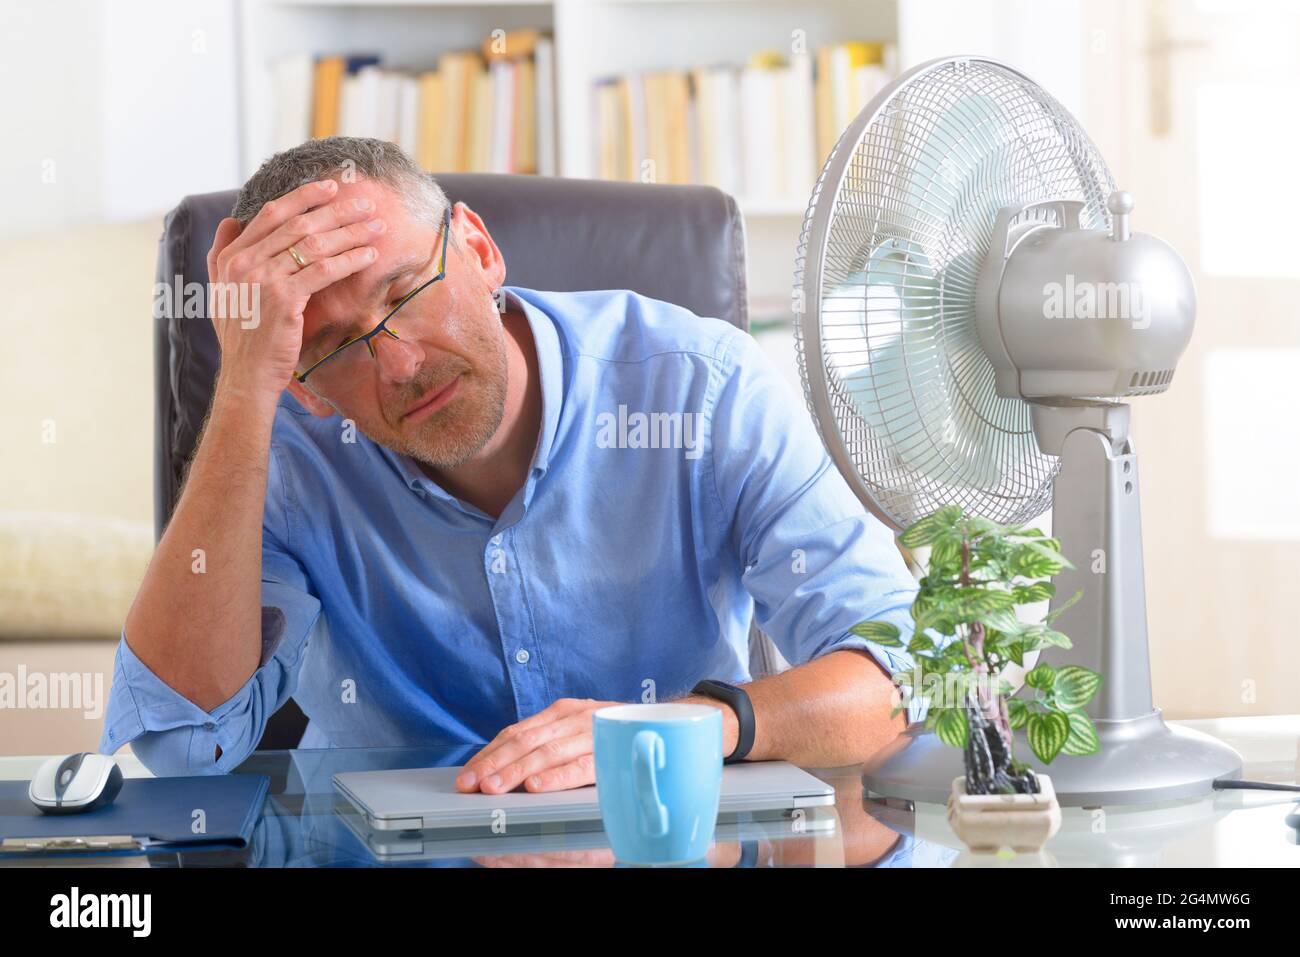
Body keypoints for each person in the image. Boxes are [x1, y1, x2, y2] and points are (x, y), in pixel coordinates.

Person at [100, 137, 920, 794]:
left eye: (405, 291)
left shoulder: (702, 388)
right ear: (306, 388)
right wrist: (246, 383)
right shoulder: (281, 454)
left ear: (482, 251)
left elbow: (903, 678)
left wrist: (697, 725)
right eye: (335, 348)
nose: (399, 364)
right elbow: (178, 743)